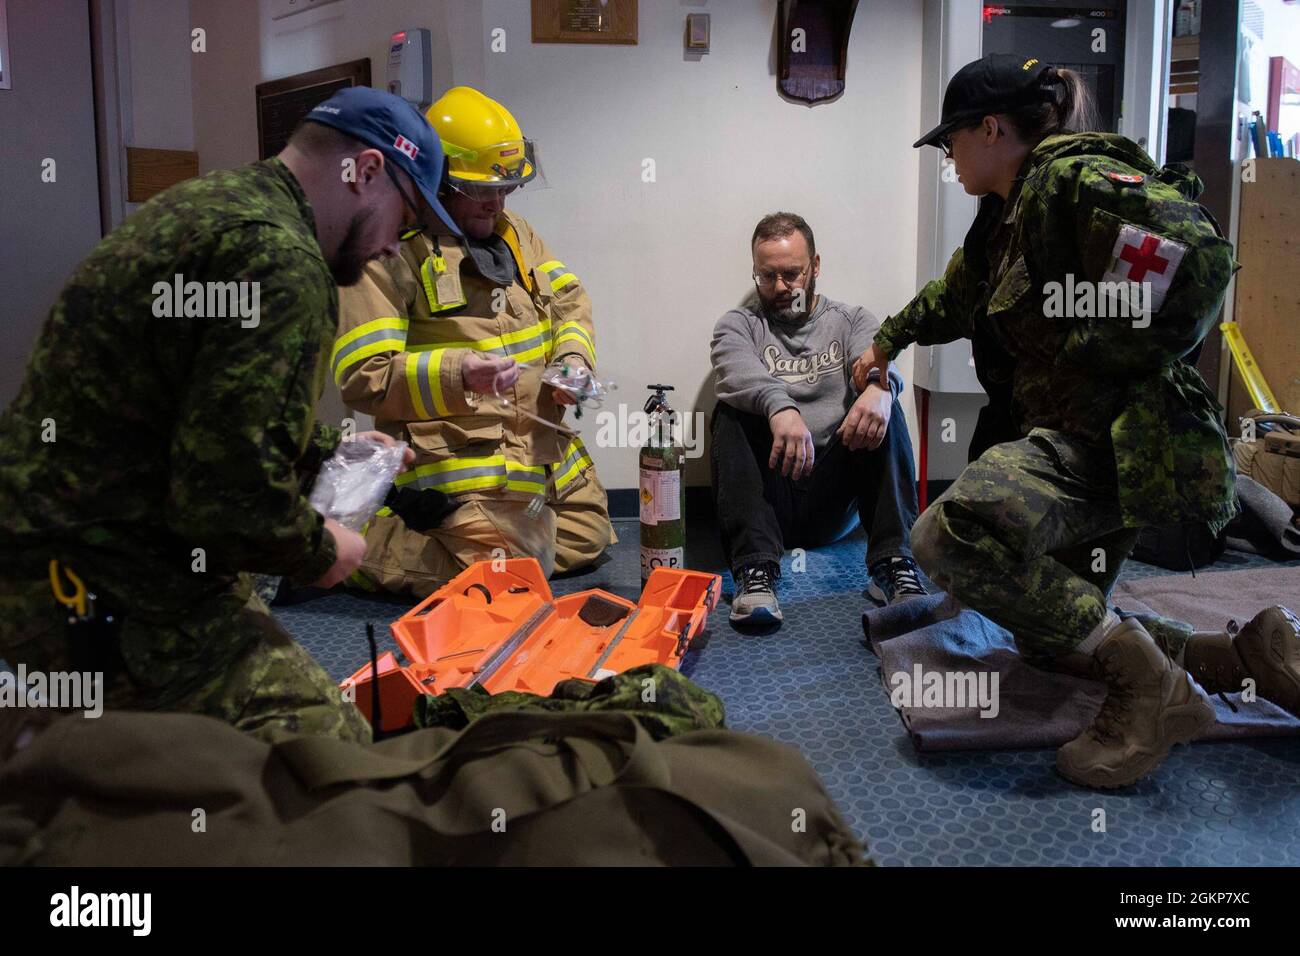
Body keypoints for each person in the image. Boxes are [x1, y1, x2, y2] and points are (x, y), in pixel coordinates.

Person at [853, 54, 1300, 789]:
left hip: (1116, 444)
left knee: (950, 532)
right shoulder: (1007, 215)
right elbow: (956, 296)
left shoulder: (1074, 179)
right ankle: (1244, 656)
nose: (947, 156)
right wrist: (887, 339)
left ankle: (1153, 694)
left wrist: (1102, 350)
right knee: (1051, 636)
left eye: (950, 140)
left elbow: (1200, 260)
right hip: (1080, 443)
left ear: (991, 129)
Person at [0, 87, 459, 744]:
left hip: (36, 534)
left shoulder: (206, 205)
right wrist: (324, 550)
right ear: (366, 172)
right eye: (405, 219)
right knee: (325, 751)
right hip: (94, 577)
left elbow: (200, 405)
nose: (393, 248)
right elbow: (225, 502)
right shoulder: (284, 264)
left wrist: (330, 451)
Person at [334, 86, 615, 597]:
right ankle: (344, 537)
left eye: (506, 187)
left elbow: (570, 301)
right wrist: (457, 372)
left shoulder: (517, 234)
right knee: (510, 579)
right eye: (480, 189)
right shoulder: (384, 251)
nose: (498, 201)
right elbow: (364, 378)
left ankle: (502, 540)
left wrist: (573, 360)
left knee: (589, 536)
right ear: (437, 178)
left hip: (535, 457)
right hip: (453, 466)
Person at [710, 213, 926, 629]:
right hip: (767, 498)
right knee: (730, 410)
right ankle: (755, 572)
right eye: (767, 275)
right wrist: (780, 407)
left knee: (884, 403)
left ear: (815, 267)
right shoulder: (739, 325)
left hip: (831, 498)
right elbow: (732, 368)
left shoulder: (851, 321)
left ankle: (894, 563)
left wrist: (881, 388)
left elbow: (874, 357)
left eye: (792, 274)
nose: (780, 287)